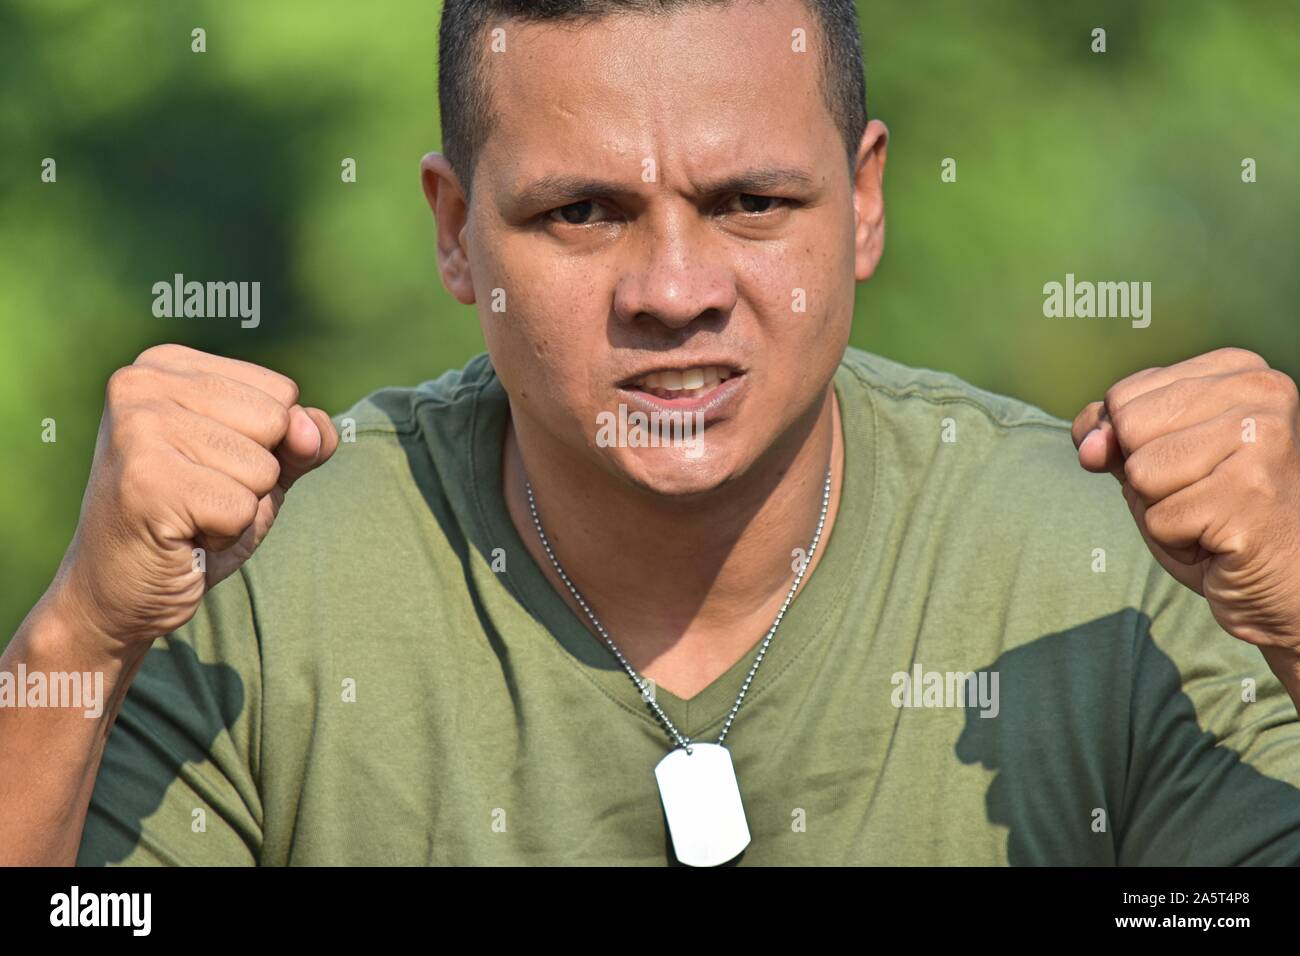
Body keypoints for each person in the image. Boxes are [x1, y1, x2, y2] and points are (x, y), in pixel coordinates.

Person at [4, 0, 1300, 866]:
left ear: (862, 203)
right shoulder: (263, 581)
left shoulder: (1118, 565)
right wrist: (80, 631)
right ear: (456, 232)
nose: (674, 292)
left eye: (750, 202)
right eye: (580, 214)